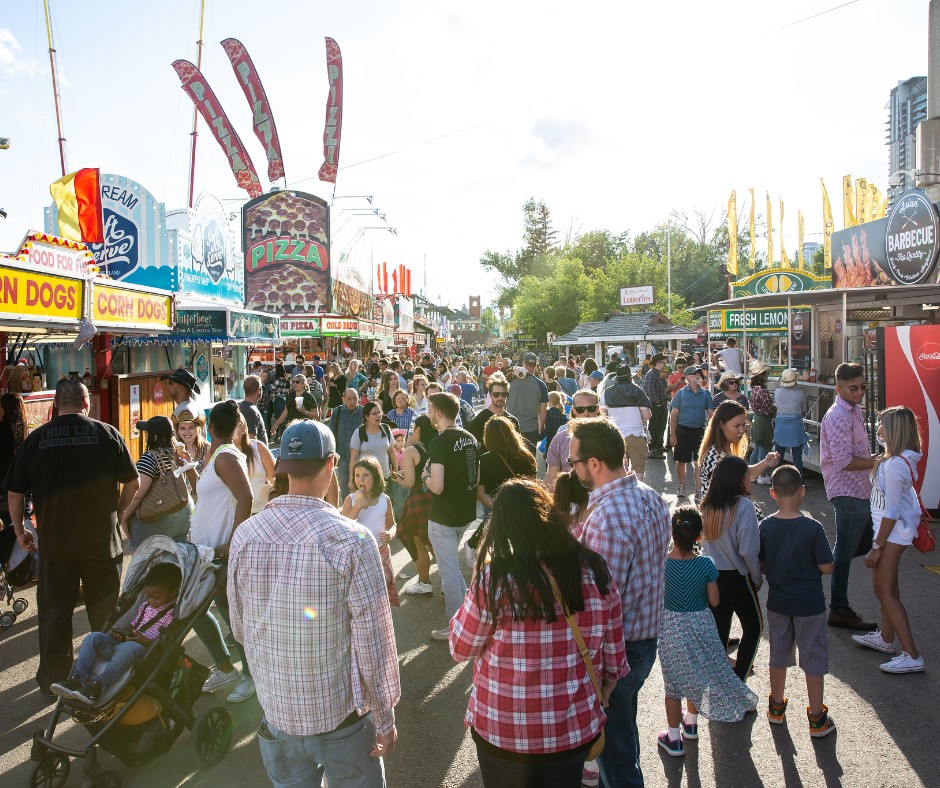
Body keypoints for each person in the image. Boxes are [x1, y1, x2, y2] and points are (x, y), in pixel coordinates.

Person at [228, 419, 400, 785]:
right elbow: (375, 642)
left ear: (283, 468)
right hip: (341, 718)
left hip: (276, 714)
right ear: (332, 462)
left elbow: (240, 628)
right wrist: (385, 718)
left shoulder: (246, 534)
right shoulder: (351, 540)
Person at [450, 479, 627, 787]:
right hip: (571, 728)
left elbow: (460, 647)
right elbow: (613, 655)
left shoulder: (496, 580)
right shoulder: (594, 568)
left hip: (502, 728)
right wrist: (607, 686)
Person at [5, 378, 138, 698]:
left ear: (54, 406)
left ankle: (53, 679)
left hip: (56, 546)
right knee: (105, 613)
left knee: (54, 614)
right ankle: (105, 677)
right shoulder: (107, 434)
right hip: (101, 544)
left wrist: (21, 530)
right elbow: (132, 483)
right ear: (86, 403)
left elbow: (14, 492)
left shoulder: (37, 440)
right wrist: (118, 515)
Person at [570, 417, 671, 788]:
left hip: (619, 649)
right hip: (643, 641)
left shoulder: (608, 516)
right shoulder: (651, 496)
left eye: (575, 462)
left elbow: (599, 607)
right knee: (622, 734)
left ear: (594, 463)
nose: (573, 468)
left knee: (615, 750)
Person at [656, 506, 758, 757]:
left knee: (673, 685)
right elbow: (714, 601)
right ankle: (691, 723)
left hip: (671, 627)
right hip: (700, 624)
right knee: (697, 675)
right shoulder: (706, 564)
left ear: (671, 532)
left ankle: (673, 738)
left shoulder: (661, 563)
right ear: (699, 537)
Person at [759, 465, 837, 737]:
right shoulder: (813, 528)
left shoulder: (766, 526)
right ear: (803, 491)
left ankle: (776, 707)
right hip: (809, 605)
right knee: (812, 657)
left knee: (778, 654)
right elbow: (827, 567)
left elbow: (762, 563)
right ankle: (817, 718)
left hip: (778, 602)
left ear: (772, 493)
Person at [190, 401, 255, 704]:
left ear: (212, 427)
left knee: (233, 617)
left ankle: (251, 677)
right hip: (206, 552)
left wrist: (233, 542)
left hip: (220, 554)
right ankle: (227, 667)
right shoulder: (217, 455)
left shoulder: (226, 456)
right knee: (195, 610)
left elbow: (246, 498)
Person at [852, 406, 925, 673]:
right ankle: (885, 638)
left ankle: (911, 654)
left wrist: (876, 547)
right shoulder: (897, 460)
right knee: (888, 589)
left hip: (892, 533)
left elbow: (892, 511)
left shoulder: (894, 465)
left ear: (893, 430)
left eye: (881, 425)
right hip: (892, 531)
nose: (878, 429)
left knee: (883, 590)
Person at [50, 562, 181, 704]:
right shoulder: (145, 606)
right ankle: (78, 679)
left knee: (129, 647)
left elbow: (166, 641)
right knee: (93, 638)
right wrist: (121, 633)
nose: (151, 601)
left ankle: (98, 686)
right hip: (125, 645)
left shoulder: (172, 613)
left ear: (173, 593)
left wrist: (144, 641)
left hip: (145, 651)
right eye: (148, 597)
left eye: (156, 598)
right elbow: (133, 625)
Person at [819, 362, 876, 631]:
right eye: (854, 388)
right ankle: (839, 609)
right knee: (845, 551)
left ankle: (817, 569)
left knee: (858, 546)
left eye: (863, 386)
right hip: (847, 490)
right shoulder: (840, 415)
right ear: (839, 388)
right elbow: (842, 460)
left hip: (857, 490)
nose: (860, 392)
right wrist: (875, 462)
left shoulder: (852, 410)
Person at [699, 456, 763, 683]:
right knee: (754, 627)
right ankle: (740, 679)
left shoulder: (707, 504)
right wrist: (756, 577)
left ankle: (720, 682)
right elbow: (748, 549)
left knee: (720, 630)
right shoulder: (744, 506)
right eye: (748, 477)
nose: (751, 481)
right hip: (738, 576)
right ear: (739, 480)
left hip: (712, 577)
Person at [425, 392, 479, 642]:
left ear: (438, 413)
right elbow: (476, 479)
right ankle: (468, 615)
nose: (427, 414)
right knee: (451, 567)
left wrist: (425, 476)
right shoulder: (470, 438)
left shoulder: (439, 443)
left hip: (443, 515)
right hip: (465, 512)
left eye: (429, 409)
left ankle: (457, 630)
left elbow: (436, 486)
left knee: (448, 574)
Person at [118, 416, 193, 548]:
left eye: (147, 432)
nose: (145, 434)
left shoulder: (150, 458)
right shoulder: (176, 454)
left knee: (148, 563)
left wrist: (123, 518)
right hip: (183, 515)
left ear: (154, 436)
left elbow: (137, 494)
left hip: (161, 520)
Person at [342, 456, 400, 608]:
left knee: (381, 591)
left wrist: (390, 534)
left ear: (375, 477)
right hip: (359, 553)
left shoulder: (384, 499)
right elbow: (344, 526)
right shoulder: (351, 500)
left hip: (381, 550)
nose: (360, 479)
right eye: (357, 475)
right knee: (363, 593)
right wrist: (358, 506)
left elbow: (392, 524)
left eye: (365, 475)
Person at [698, 400, 779, 499]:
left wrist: (766, 462)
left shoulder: (725, 449)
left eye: (743, 425)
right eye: (736, 426)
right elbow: (725, 497)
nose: (741, 430)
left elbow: (743, 473)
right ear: (721, 425)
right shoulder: (714, 457)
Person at [397, 415, 438, 597]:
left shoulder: (411, 451)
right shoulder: (438, 447)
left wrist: (400, 480)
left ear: (419, 429)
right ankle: (448, 583)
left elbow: (409, 482)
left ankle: (424, 583)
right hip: (437, 499)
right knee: (437, 543)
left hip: (418, 502)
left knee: (419, 542)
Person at [670, 365, 714, 500]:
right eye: (694, 374)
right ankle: (681, 485)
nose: (697, 376)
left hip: (699, 431)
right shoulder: (681, 393)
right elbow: (674, 415)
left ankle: (698, 490)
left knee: (698, 461)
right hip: (683, 430)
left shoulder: (706, 394)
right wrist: (673, 434)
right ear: (687, 377)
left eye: (698, 374)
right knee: (681, 460)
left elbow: (711, 414)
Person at [603, 362, 653, 481]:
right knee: (638, 470)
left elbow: (603, 416)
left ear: (616, 379)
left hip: (615, 437)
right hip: (635, 435)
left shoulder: (606, 393)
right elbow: (647, 416)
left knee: (618, 471)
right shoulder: (637, 391)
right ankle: (635, 496)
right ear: (630, 377)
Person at [476, 415, 537, 512]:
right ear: (512, 433)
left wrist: (501, 507)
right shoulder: (526, 456)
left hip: (495, 511)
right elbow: (533, 486)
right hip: (523, 509)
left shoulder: (484, 460)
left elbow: (480, 494)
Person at [545, 389, 600, 490]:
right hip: (570, 498)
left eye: (590, 408)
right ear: (574, 411)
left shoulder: (610, 436)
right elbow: (552, 478)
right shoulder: (561, 438)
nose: (586, 413)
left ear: (597, 409)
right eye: (580, 409)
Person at [506, 352, 548, 454]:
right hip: (531, 429)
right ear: (536, 366)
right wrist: (540, 430)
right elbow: (543, 411)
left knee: (512, 461)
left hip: (511, 426)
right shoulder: (541, 385)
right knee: (530, 463)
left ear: (523, 363)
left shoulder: (511, 380)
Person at [348, 402, 396, 491]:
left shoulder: (386, 429)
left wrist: (395, 469)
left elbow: (392, 450)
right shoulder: (359, 432)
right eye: (374, 413)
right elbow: (354, 457)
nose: (378, 416)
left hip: (385, 477)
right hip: (366, 480)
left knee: (387, 503)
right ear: (366, 416)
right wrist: (351, 478)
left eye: (379, 412)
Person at [773, 369, 809, 476]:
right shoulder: (800, 393)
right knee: (797, 457)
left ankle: (775, 481)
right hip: (795, 427)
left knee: (779, 456)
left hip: (781, 427)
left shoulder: (777, 392)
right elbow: (803, 409)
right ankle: (800, 481)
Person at [329, 388, 364, 495]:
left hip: (360, 454)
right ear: (343, 399)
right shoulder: (337, 411)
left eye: (355, 398)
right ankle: (347, 508)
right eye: (349, 399)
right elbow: (331, 433)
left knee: (360, 483)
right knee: (344, 483)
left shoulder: (364, 411)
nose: (352, 402)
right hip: (342, 455)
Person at [468, 373, 519, 446]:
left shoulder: (513, 421)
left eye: (504, 394)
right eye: (496, 395)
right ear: (490, 395)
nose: (500, 398)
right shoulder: (479, 421)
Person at [748, 361, 776, 484]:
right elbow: (769, 408)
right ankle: (762, 475)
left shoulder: (753, 389)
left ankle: (752, 474)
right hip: (763, 420)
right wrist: (775, 410)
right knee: (764, 448)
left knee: (757, 448)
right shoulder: (763, 391)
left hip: (756, 419)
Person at [271, 374, 321, 438]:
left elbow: (316, 415)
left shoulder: (309, 397)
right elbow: (285, 412)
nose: (294, 383)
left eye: (297, 382)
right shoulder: (290, 395)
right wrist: (276, 425)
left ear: (303, 384)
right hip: (291, 426)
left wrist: (305, 411)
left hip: (305, 427)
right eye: (293, 381)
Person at [642, 354, 668, 458]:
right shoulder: (651, 374)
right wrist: (657, 402)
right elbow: (649, 392)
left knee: (659, 426)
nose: (664, 364)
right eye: (663, 362)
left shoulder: (657, 374)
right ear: (658, 363)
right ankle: (652, 449)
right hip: (655, 405)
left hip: (660, 404)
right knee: (654, 427)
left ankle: (657, 447)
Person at [175, 408, 210, 475]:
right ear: (178, 431)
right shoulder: (173, 449)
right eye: (182, 428)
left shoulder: (207, 449)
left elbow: (206, 478)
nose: (187, 432)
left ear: (197, 429)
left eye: (191, 427)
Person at [239, 374, 269, 446]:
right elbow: (252, 442)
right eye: (261, 388)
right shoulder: (250, 411)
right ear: (259, 390)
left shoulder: (244, 407)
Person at [541, 391, 569, 456]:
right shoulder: (563, 415)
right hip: (561, 441)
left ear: (550, 401)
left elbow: (548, 428)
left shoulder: (548, 413)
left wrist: (540, 437)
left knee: (550, 461)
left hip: (551, 440)